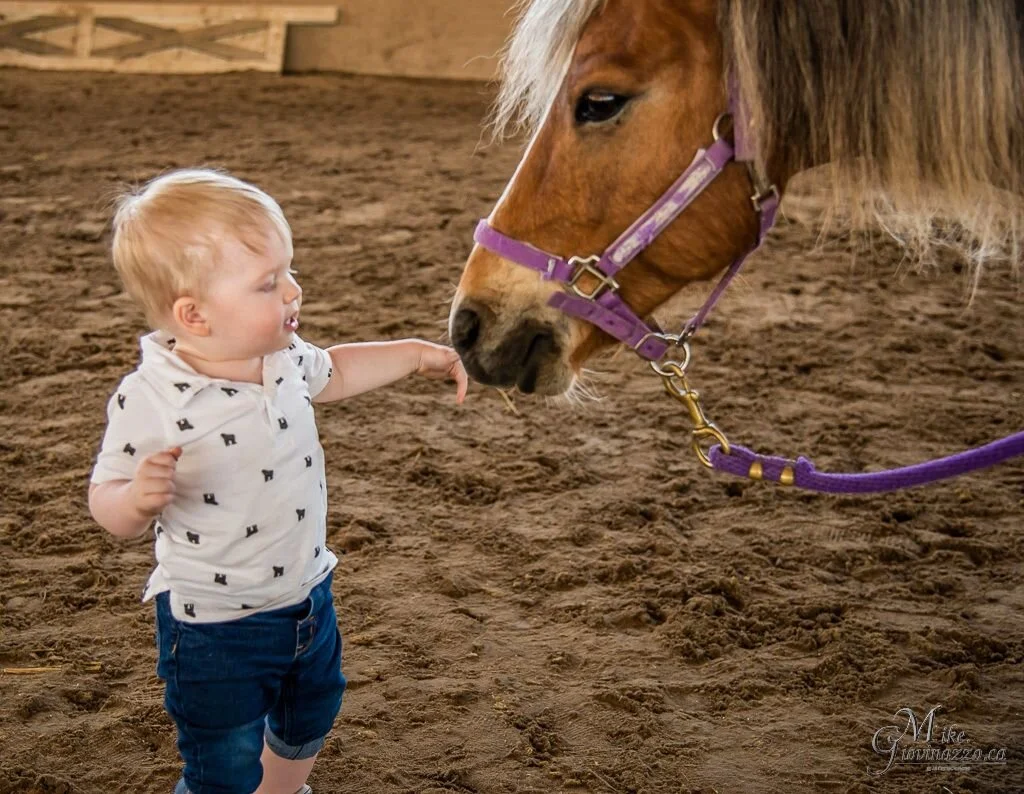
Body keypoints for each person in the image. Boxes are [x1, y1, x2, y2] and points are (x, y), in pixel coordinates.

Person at [88, 168, 468, 794]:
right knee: (225, 763)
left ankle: (285, 789)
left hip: (307, 593)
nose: (294, 290)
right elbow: (106, 497)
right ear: (195, 315)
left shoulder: (283, 357)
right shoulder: (150, 398)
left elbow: (337, 372)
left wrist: (414, 354)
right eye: (269, 283)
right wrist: (134, 502)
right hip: (214, 629)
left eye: (288, 271)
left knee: (311, 712)